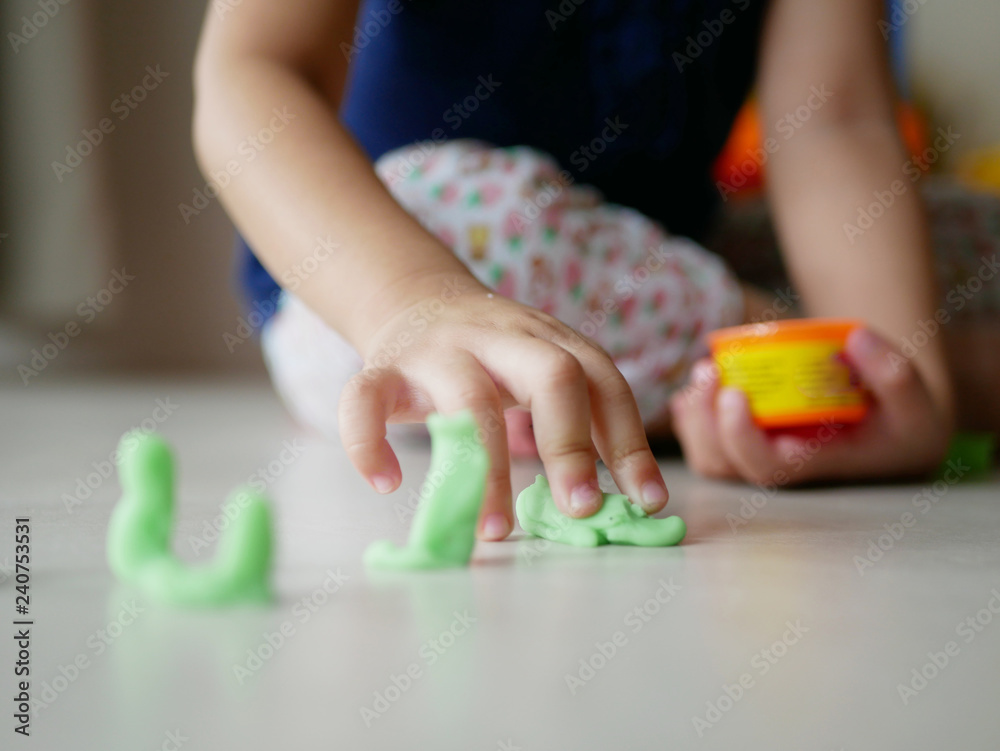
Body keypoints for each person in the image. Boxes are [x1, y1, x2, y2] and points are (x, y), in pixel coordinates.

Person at [192, 0, 968, 542]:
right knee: (491, 218)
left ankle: (818, 361)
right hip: (388, 276)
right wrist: (414, 302)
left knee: (964, 239)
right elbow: (256, 67)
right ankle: (786, 357)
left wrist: (906, 370)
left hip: (669, 247)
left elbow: (834, 123)